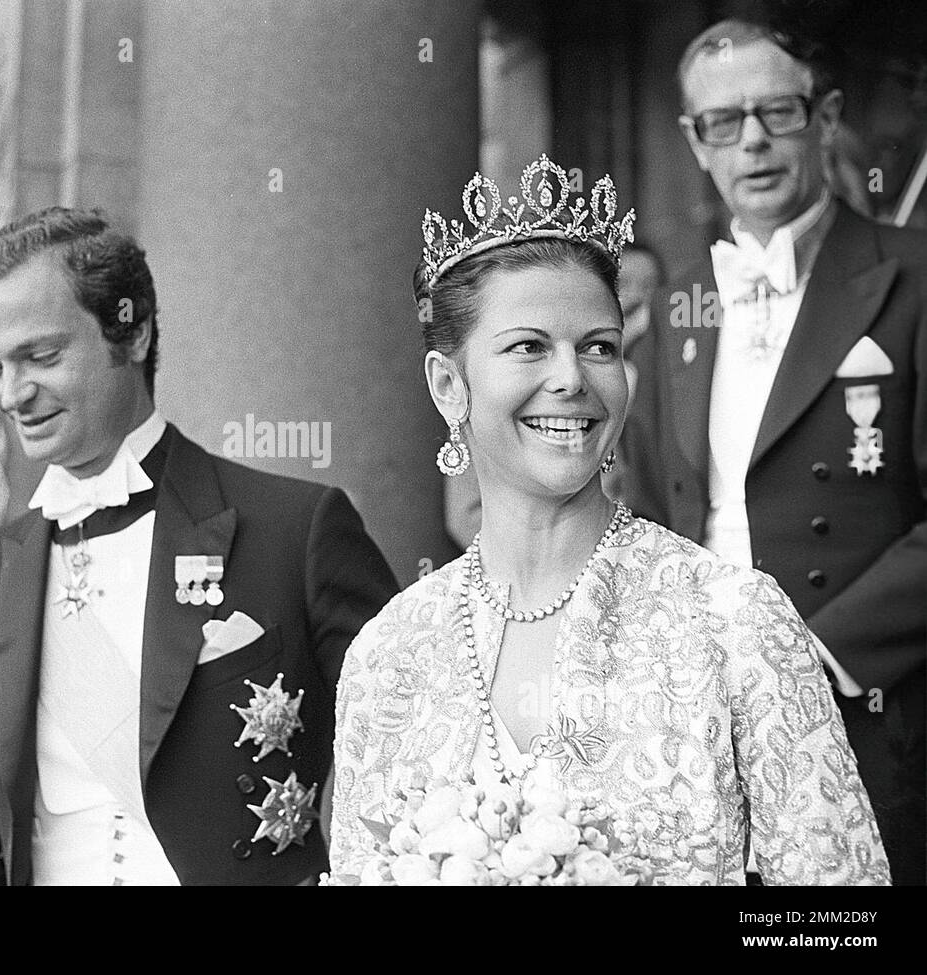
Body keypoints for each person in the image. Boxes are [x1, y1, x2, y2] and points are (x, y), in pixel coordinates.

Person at [328, 155, 888, 886]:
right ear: (448, 384)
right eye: (529, 346)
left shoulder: (735, 622)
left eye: (599, 347)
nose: (572, 378)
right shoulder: (388, 656)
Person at [0, 206, 397, 886]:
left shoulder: (297, 528)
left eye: (41, 356)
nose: (11, 394)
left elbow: (412, 770)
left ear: (133, 331)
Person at [621, 19, 925, 884]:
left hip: (870, 709)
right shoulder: (682, 303)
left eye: (775, 112)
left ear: (825, 118)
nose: (751, 139)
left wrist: (809, 662)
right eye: (722, 121)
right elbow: (644, 515)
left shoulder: (915, 276)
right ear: (695, 142)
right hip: (708, 733)